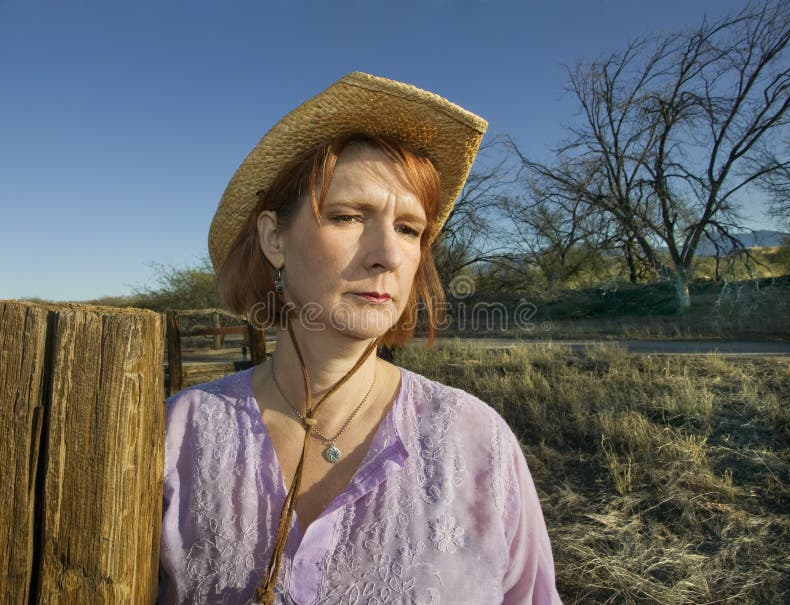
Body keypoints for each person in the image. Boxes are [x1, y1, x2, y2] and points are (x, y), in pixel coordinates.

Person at [158, 72, 561, 604]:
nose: (388, 255)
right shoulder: (176, 435)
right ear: (274, 239)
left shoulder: (480, 443)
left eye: (409, 229)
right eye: (349, 216)